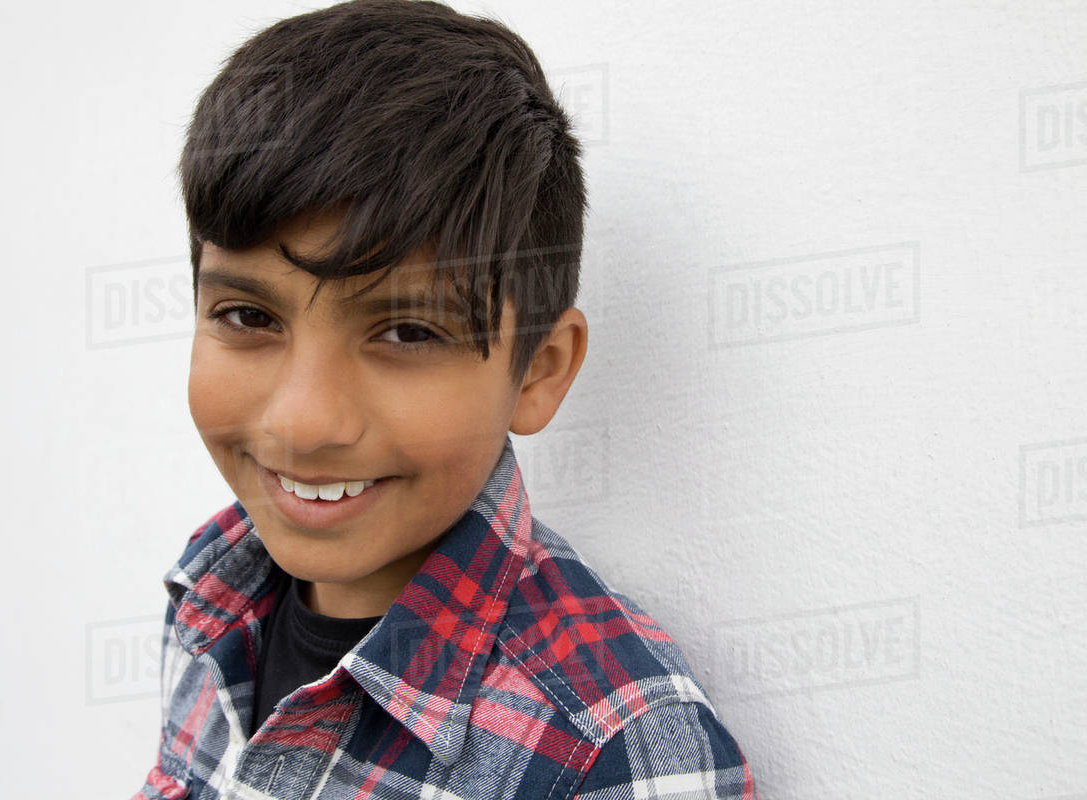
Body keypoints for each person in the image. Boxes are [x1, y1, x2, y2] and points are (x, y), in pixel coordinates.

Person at [135, 1, 760, 797]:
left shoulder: (615, 752)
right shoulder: (213, 590)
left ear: (538, 371)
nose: (302, 421)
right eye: (248, 317)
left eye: (405, 333)